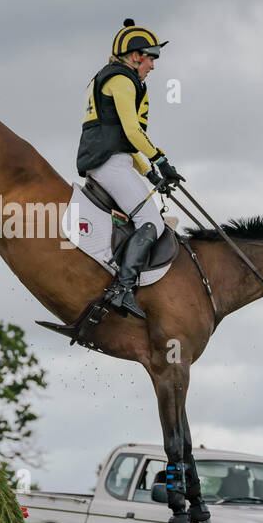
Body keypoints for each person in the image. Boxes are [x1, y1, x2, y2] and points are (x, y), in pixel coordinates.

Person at [76, 18, 185, 319]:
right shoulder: (122, 80)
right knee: (151, 221)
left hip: (114, 161)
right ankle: (121, 289)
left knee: (149, 216)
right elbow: (133, 131)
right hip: (109, 164)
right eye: (151, 57)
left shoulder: (115, 78)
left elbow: (123, 140)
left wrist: (149, 172)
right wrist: (161, 161)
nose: (153, 65)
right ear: (136, 56)